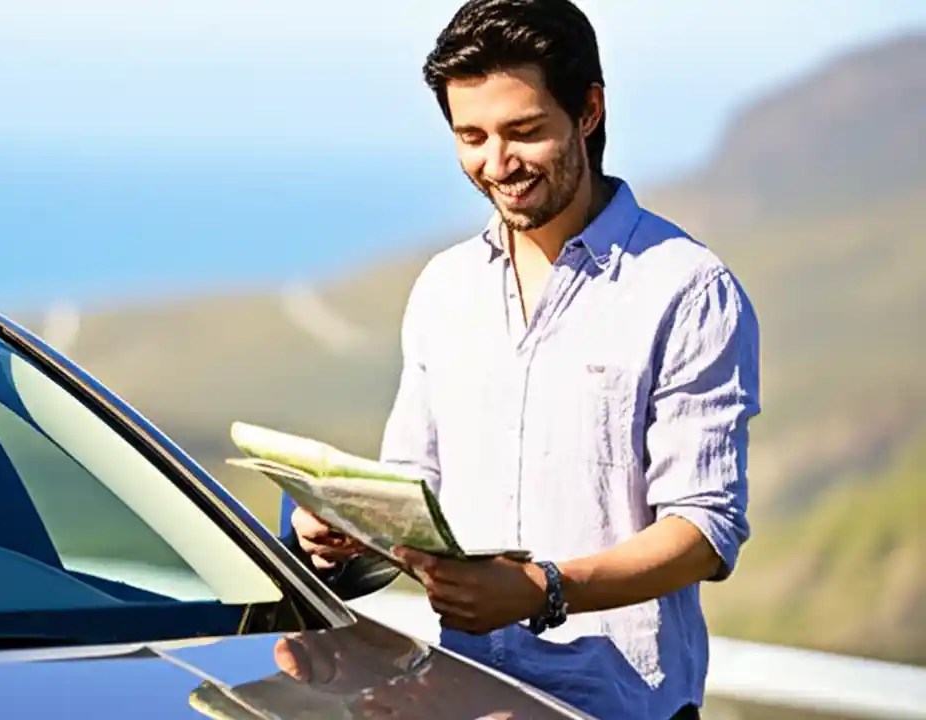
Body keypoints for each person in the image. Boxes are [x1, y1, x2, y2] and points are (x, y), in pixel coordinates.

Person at [278, 1, 761, 718]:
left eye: (524, 132)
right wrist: (350, 532)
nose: (495, 164)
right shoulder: (445, 288)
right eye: (470, 136)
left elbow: (703, 531)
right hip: (461, 698)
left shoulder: (688, 290)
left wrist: (545, 589)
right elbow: (419, 493)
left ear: (589, 110)